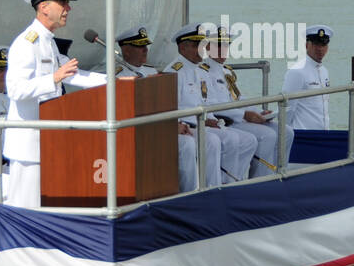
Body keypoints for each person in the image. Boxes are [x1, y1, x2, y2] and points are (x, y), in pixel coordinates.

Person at [4, 0, 107, 208]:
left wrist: (115, 81)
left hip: (48, 138)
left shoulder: (48, 41)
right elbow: (15, 89)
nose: (68, 8)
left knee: (45, 206)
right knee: (25, 208)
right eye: (63, 3)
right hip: (28, 144)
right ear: (43, 7)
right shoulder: (26, 43)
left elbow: (74, 74)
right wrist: (54, 78)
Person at [115, 25, 219, 191]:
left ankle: (210, 189)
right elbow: (129, 111)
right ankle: (189, 192)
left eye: (146, 46)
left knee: (208, 141)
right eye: (140, 46)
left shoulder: (150, 71)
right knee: (187, 145)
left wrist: (176, 123)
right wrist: (172, 125)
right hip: (140, 130)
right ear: (126, 51)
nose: (145, 50)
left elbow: (166, 104)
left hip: (163, 126)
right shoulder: (119, 76)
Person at [203, 25, 293, 177]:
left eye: (226, 45)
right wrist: (245, 114)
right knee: (267, 136)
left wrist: (259, 112)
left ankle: (278, 174)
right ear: (207, 46)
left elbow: (238, 98)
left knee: (286, 131)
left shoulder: (226, 71)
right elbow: (211, 106)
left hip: (240, 117)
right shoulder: (202, 71)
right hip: (227, 121)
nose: (223, 49)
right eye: (219, 45)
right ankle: (260, 182)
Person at [169, 23, 255, 181]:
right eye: (196, 45)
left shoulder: (197, 70)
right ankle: (210, 188)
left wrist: (212, 120)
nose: (202, 49)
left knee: (244, 140)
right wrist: (193, 122)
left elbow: (204, 102)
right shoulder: (174, 72)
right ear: (182, 48)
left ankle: (228, 184)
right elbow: (170, 108)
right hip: (186, 126)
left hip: (203, 122)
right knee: (214, 141)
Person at [283, 24, 332, 130]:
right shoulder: (297, 71)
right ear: (306, 45)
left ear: (327, 47)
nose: (320, 49)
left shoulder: (324, 72)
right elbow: (287, 109)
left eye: (323, 45)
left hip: (323, 133)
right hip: (303, 133)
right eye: (316, 44)